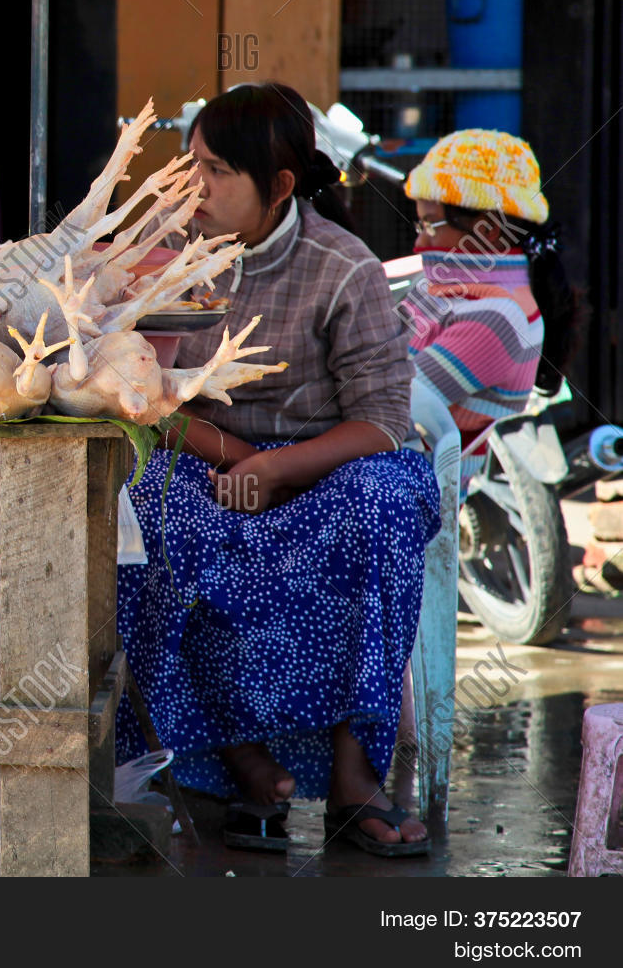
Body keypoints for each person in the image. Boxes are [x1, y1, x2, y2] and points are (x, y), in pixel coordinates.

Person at [115, 82, 441, 856]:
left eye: (217, 171)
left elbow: (386, 422)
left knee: (388, 502)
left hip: (326, 482)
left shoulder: (344, 269)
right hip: (208, 472)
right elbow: (145, 396)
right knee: (139, 504)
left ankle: (354, 779)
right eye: (190, 166)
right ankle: (241, 762)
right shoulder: (171, 263)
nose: (194, 188)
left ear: (282, 186)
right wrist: (241, 462)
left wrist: (282, 467)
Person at [401, 129, 582, 490]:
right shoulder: (460, 294)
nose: (420, 242)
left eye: (429, 224)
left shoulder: (497, 319)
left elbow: (384, 404)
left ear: (489, 231)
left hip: (403, 506)